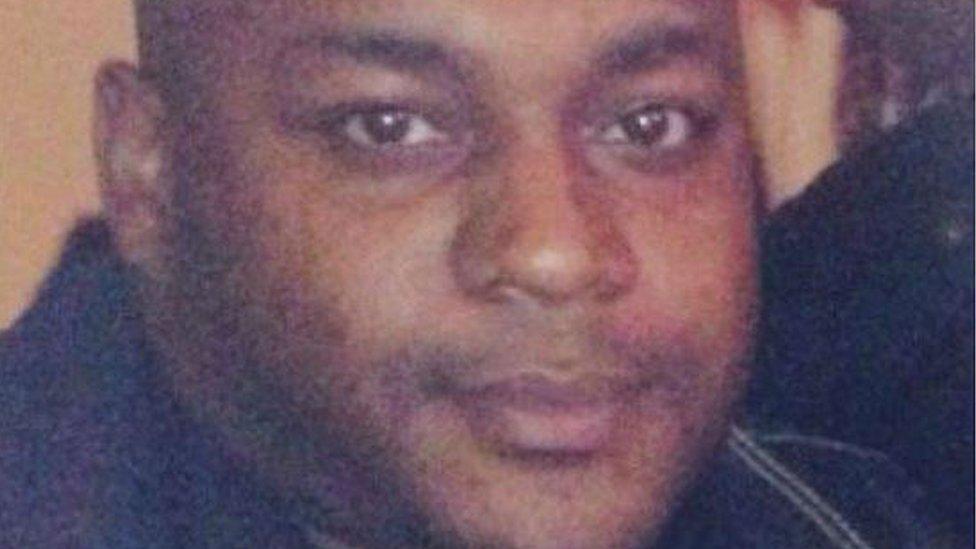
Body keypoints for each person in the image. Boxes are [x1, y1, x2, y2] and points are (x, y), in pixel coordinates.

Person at [0, 1, 939, 547]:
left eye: (649, 125)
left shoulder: (848, 521)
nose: (558, 253)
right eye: (390, 127)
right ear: (147, 168)